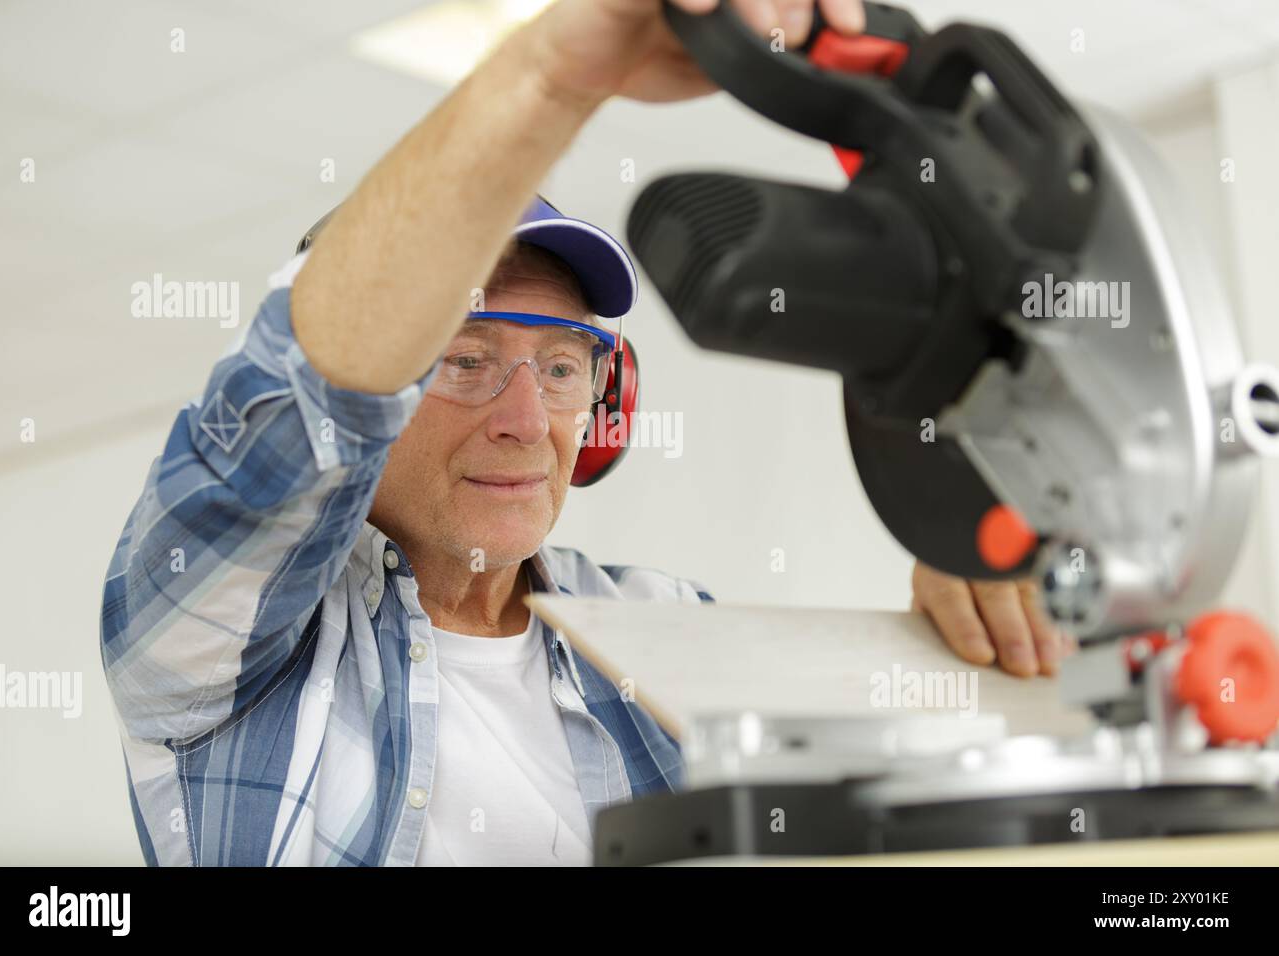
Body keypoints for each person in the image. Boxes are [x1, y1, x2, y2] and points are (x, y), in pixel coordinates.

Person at [99, 0, 1066, 867]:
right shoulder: (222, 649)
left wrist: (972, 607)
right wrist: (553, 74)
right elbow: (291, 415)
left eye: (562, 369)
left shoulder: (664, 623)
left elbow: (891, 805)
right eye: (462, 359)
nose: (526, 423)